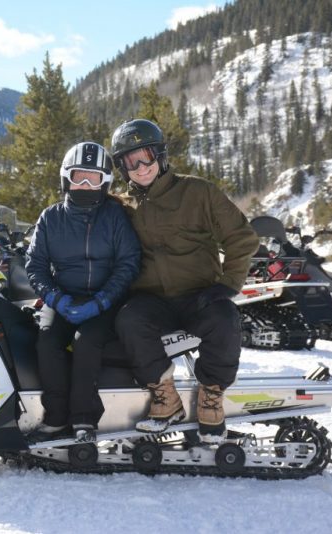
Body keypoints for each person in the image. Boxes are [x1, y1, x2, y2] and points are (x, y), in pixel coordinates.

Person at [110, 119, 259, 443]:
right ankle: (165, 395)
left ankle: (211, 395)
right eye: (130, 161)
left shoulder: (197, 192)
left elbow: (242, 238)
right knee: (129, 321)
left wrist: (228, 284)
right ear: (122, 167)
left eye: (146, 156)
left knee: (224, 319)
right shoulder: (123, 205)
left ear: (160, 156)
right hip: (152, 300)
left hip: (199, 295)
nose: (140, 167)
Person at [26, 141, 141, 443]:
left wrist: (103, 300)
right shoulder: (51, 218)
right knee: (48, 340)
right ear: (66, 178)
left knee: (86, 341)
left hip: (104, 300)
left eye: (94, 178)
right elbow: (35, 265)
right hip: (63, 295)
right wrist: (55, 298)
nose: (86, 184)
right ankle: (55, 416)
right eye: (79, 177)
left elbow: (128, 263)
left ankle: (83, 420)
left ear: (105, 183)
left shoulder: (114, 217)